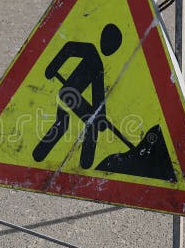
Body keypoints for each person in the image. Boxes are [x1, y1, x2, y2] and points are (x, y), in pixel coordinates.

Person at [32, 23, 122, 168]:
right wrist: (52, 68)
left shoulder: (98, 64)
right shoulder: (91, 52)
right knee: (91, 123)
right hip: (69, 94)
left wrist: (101, 116)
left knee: (63, 124)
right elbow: (68, 48)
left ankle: (38, 154)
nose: (110, 50)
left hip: (66, 95)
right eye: (111, 46)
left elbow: (97, 95)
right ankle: (85, 162)